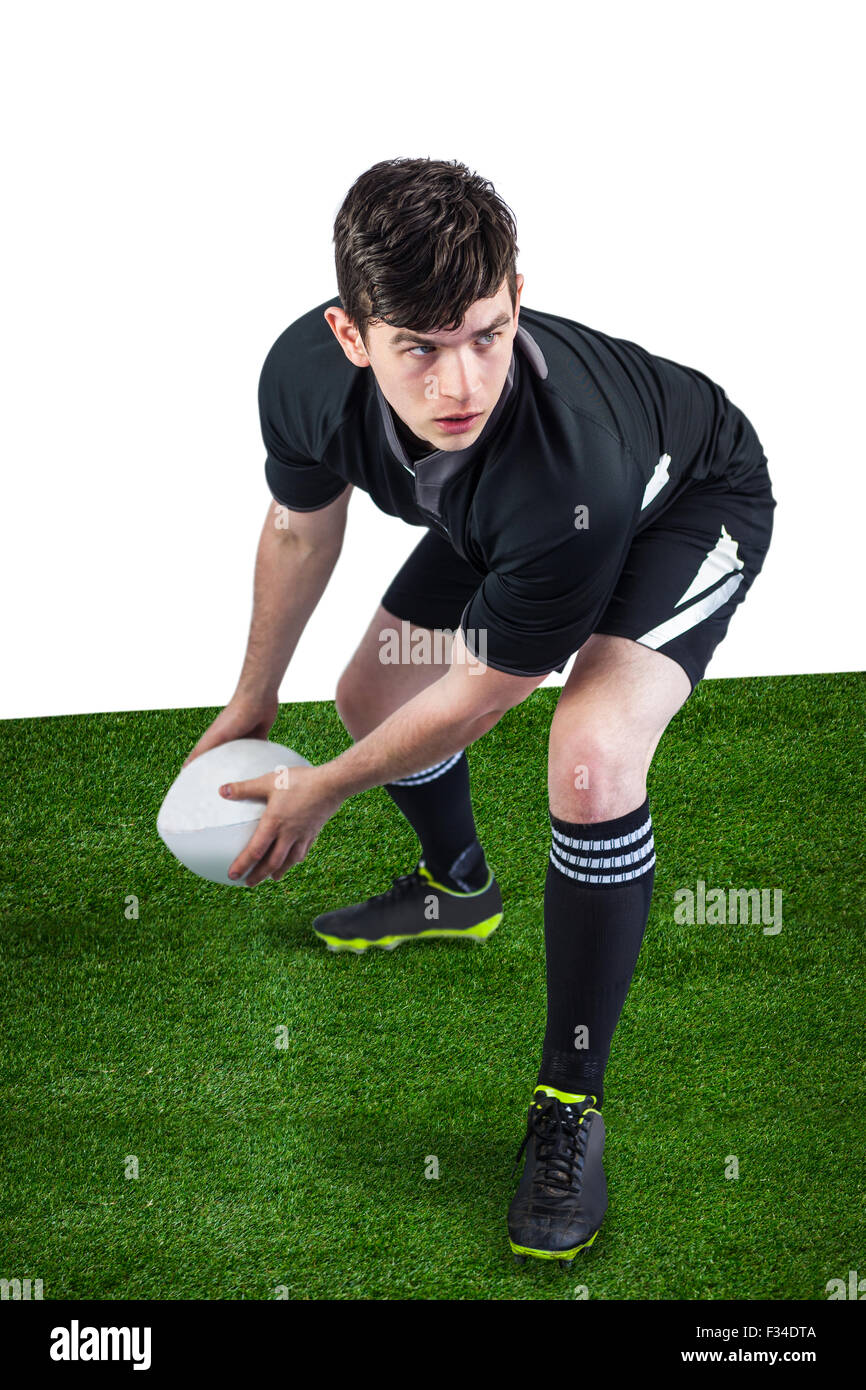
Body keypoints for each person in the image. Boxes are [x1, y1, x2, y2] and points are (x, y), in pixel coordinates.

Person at [184, 156, 777, 1266]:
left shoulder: (563, 468)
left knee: (591, 756)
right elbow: (301, 529)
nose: (461, 381)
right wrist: (254, 695)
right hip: (502, 517)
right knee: (366, 691)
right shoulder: (302, 379)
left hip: (677, 506)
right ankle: (458, 890)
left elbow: (473, 702)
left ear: (514, 296)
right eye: (419, 346)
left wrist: (322, 789)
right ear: (349, 337)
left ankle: (568, 1099)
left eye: (488, 333)